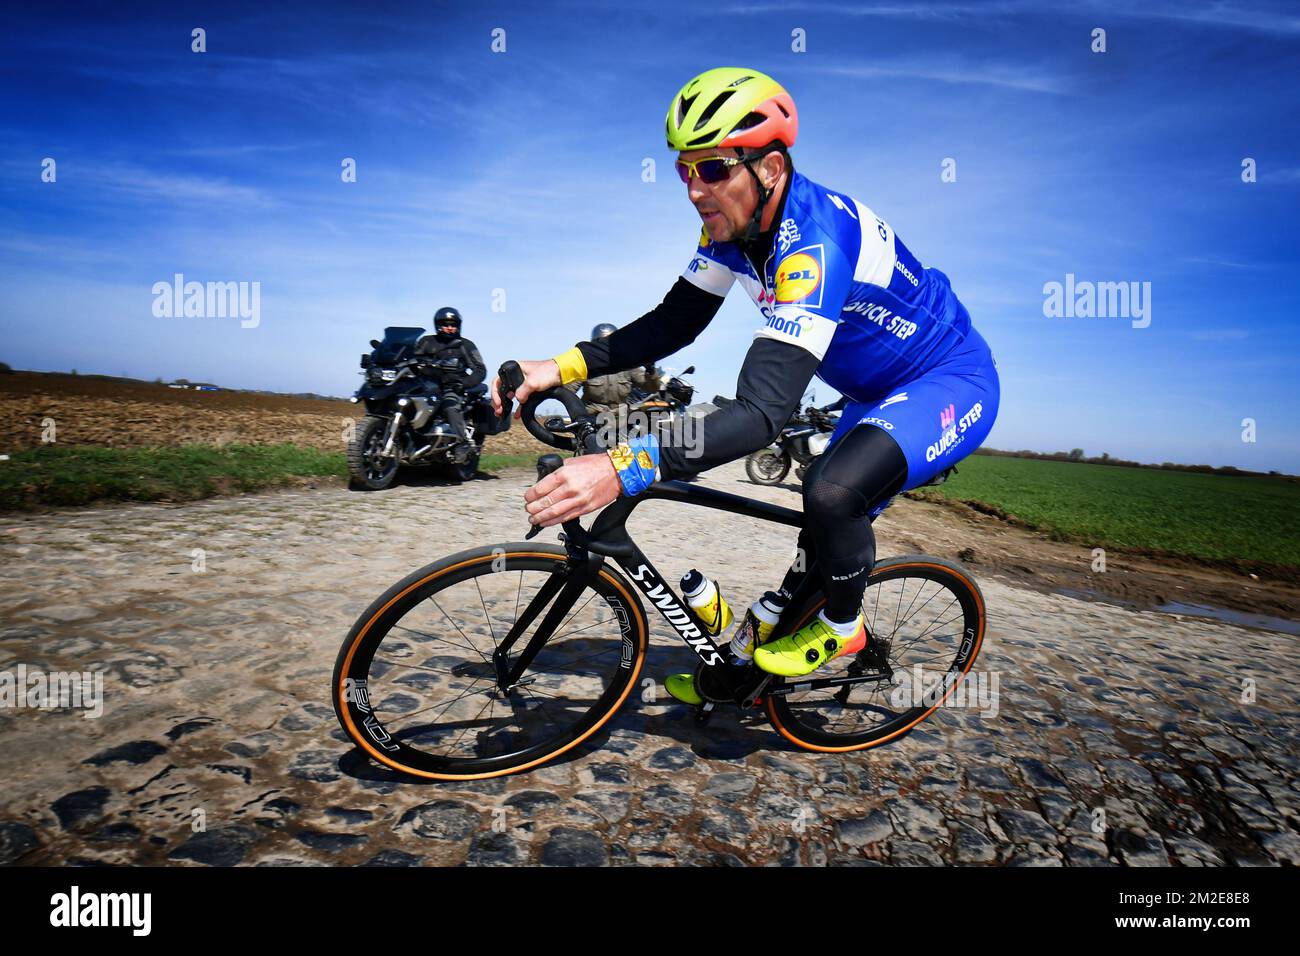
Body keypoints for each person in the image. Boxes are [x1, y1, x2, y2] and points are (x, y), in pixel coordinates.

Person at [490, 66, 1000, 704]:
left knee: (833, 492)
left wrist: (623, 466)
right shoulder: (732, 231)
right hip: (871, 394)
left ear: (771, 170)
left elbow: (761, 413)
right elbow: (674, 322)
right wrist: (558, 366)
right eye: (684, 170)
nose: (694, 190)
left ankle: (845, 627)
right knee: (817, 539)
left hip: (947, 378)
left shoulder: (812, 242)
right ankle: (752, 668)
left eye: (712, 169)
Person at [417, 307, 486, 455]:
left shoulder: (465, 345)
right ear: (438, 325)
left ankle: (462, 443)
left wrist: (464, 384)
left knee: (450, 407)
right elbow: (410, 359)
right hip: (425, 387)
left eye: (453, 324)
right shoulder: (425, 342)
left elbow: (480, 369)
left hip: (452, 388)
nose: (449, 328)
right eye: (445, 324)